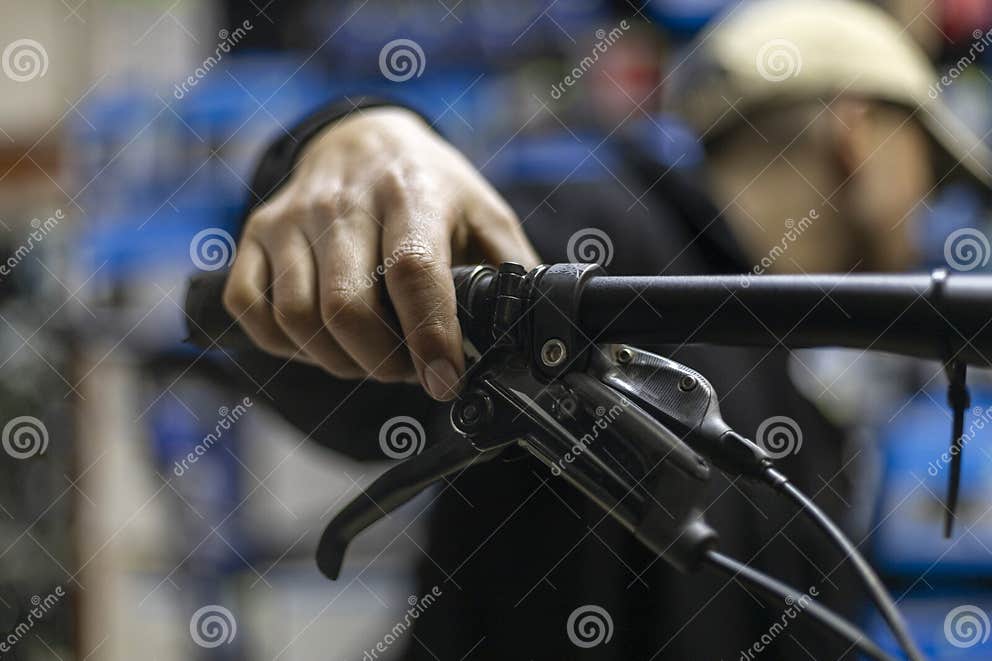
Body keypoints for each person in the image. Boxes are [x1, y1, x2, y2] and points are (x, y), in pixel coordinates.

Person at [214, 1, 992, 658]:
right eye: (930, 165)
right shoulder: (602, 250)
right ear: (856, 135)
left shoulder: (793, 402)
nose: (931, 207)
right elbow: (332, 350)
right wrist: (355, 139)